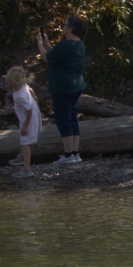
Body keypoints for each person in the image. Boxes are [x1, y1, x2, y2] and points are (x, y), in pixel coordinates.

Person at [36, 15, 86, 164]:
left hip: (63, 87)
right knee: (72, 118)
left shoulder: (66, 45)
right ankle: (75, 154)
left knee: (63, 119)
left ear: (70, 28)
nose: (62, 27)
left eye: (64, 25)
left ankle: (68, 154)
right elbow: (55, 54)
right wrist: (46, 43)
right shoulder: (78, 44)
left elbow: (46, 58)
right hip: (75, 86)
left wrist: (39, 43)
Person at [5, 67, 39, 178]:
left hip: (28, 118)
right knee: (23, 140)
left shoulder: (20, 96)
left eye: (9, 80)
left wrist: (25, 126)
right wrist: (34, 96)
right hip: (30, 115)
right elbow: (29, 89)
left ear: (16, 82)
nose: (6, 81)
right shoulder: (22, 86)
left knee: (25, 142)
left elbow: (28, 110)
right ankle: (21, 156)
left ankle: (27, 169)